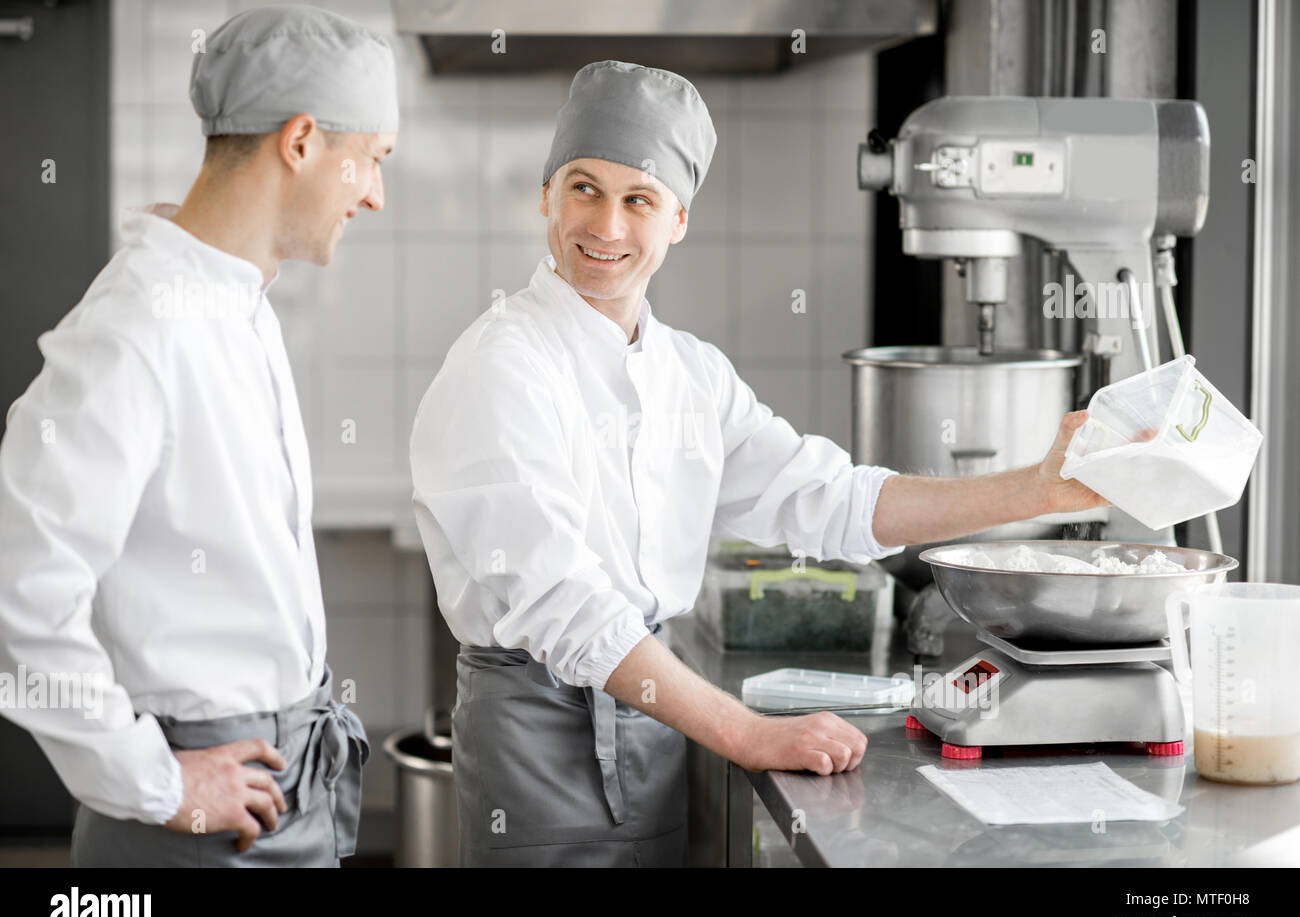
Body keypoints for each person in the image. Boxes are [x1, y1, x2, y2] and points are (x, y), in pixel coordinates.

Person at [409, 60, 1105, 867]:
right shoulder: (503, 365)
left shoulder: (690, 375)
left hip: (653, 729)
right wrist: (745, 732)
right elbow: (565, 607)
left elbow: (835, 503)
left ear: (677, 220)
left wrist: (1035, 487)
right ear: (545, 196)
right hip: (539, 734)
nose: (605, 224)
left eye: (639, 199)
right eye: (583, 188)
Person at [0, 4, 398, 867]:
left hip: (275, 784)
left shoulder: (235, 301)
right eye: (369, 159)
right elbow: (18, 590)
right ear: (300, 143)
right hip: (200, 813)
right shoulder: (138, 326)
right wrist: (157, 783)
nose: (375, 192)